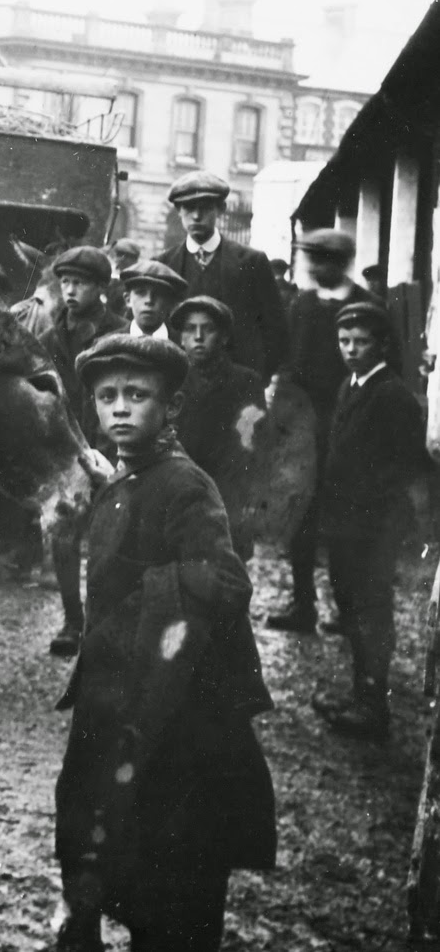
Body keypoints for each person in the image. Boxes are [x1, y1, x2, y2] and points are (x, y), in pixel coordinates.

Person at [53, 333, 275, 952]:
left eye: (137, 395)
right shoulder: (119, 479)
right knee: (97, 834)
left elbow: (225, 579)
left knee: (172, 872)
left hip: (172, 713)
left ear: (170, 407)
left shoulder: (185, 485)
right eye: (106, 397)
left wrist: (136, 614)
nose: (120, 408)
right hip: (113, 701)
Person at [311, 302, 426, 740]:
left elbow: (402, 468)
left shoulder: (392, 395)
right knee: (350, 609)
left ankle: (373, 707)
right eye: (344, 341)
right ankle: (360, 694)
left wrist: (372, 513)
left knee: (370, 613)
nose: (351, 349)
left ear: (381, 344)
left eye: (361, 342)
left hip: (373, 528)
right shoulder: (350, 386)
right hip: (346, 524)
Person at [268, 228, 376, 633]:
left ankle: (347, 611)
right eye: (311, 259)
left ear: (343, 262)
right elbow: (287, 367)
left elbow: (386, 374)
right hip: (304, 433)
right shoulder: (302, 305)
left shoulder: (367, 307)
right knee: (300, 520)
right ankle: (303, 604)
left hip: (350, 433)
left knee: (346, 525)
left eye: (323, 260)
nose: (315, 267)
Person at [38, 246, 127, 657]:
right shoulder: (48, 336)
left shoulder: (117, 334)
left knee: (111, 541)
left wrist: (108, 449)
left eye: (82, 283)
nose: (71, 291)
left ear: (101, 288)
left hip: (109, 447)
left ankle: (106, 621)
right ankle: (73, 620)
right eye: (66, 282)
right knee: (63, 539)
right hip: (64, 451)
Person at [158, 170, 288, 381]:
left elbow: (275, 329)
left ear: (221, 209)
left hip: (238, 385)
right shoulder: (164, 264)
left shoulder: (251, 262)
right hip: (180, 384)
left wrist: (258, 379)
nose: (197, 216)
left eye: (205, 208)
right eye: (189, 208)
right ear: (178, 211)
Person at [172, 296, 266, 561]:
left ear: (224, 338)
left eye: (208, 329)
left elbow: (250, 444)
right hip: (180, 494)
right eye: (190, 329)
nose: (198, 337)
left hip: (228, 497)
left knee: (227, 577)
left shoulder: (245, 382)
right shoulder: (172, 381)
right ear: (181, 338)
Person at [119, 258, 186, 339]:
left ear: (171, 303)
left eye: (159, 294)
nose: (149, 300)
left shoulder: (182, 344)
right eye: (141, 293)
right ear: (128, 299)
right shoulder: (109, 345)